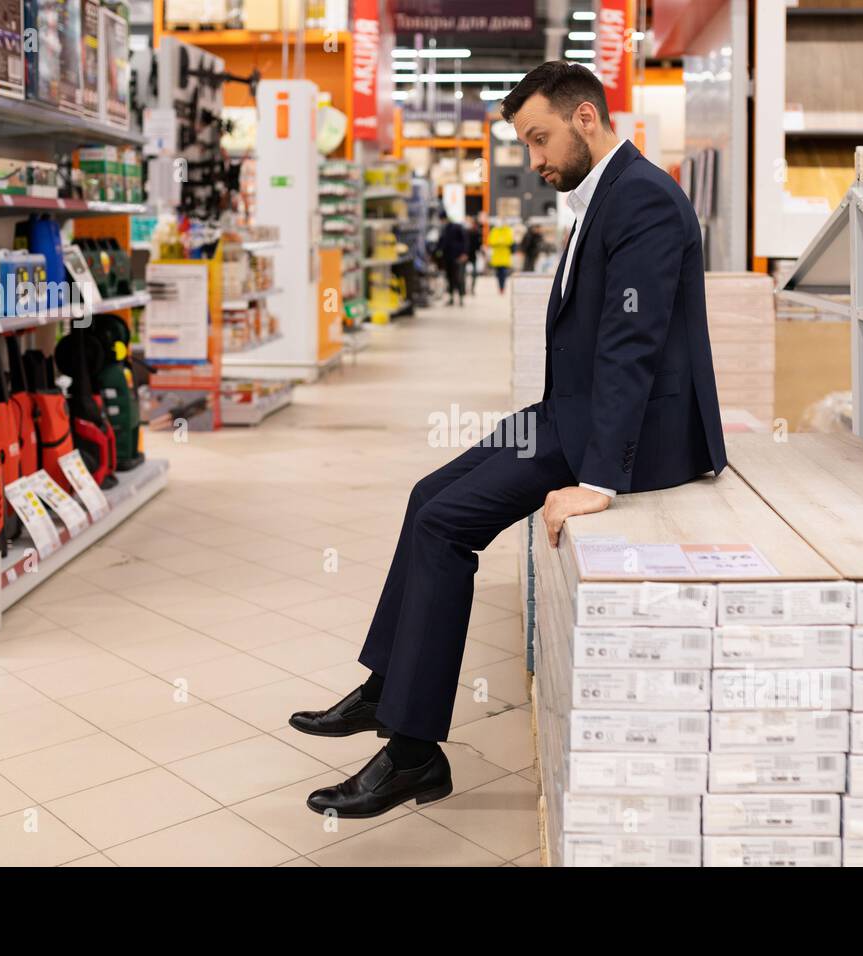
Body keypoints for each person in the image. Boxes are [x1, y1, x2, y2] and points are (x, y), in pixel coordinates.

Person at [290, 60, 726, 818]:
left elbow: (634, 344)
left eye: (539, 138)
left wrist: (599, 480)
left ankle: (413, 751)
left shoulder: (645, 201)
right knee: (428, 493)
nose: (535, 159)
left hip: (623, 435)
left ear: (586, 117)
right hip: (567, 412)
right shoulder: (604, 195)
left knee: (443, 525)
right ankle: (390, 689)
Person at [434, 210, 469, 305]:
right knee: (449, 278)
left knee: (458, 278)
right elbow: (441, 243)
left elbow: (465, 240)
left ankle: (461, 298)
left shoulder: (457, 227)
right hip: (448, 257)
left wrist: (464, 253)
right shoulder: (444, 229)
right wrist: (436, 252)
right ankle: (451, 298)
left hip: (457, 257)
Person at [488, 218, 515, 291]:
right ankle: (500, 286)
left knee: (503, 272)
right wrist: (501, 242)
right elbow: (491, 241)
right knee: (498, 273)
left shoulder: (508, 230)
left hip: (504, 255)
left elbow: (509, 241)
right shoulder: (494, 230)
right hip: (496, 255)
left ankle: (502, 286)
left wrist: (499, 241)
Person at [465, 215, 483, 294]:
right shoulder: (466, 232)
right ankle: (464, 288)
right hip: (466, 254)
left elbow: (479, 244)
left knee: (474, 273)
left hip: (473, 255)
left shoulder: (477, 233)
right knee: (464, 273)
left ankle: (472, 288)